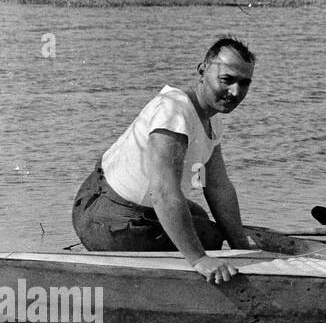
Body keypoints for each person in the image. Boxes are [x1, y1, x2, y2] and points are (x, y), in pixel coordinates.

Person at [71, 37, 258, 283]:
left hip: (126, 209)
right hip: (104, 215)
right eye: (227, 80)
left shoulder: (212, 120)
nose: (235, 92)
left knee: (202, 219)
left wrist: (243, 249)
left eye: (244, 83)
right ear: (202, 71)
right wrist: (200, 260)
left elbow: (216, 186)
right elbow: (162, 192)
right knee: (207, 238)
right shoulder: (174, 111)